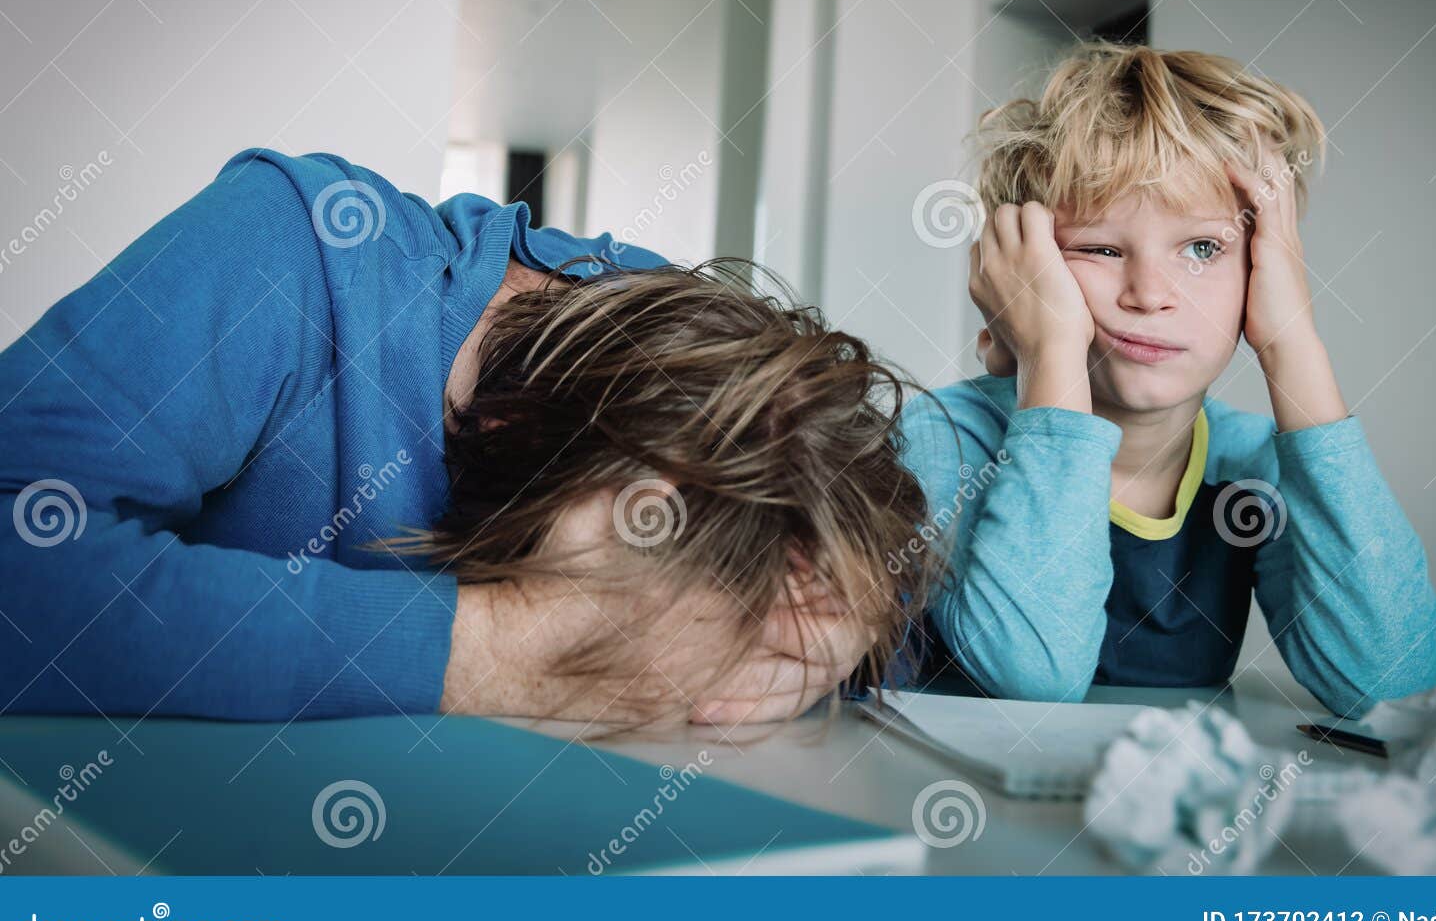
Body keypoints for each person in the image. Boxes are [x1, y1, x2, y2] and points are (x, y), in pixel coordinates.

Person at [0, 148, 933, 726]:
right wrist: (502, 649)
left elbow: (868, 561)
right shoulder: (287, 248)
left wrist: (840, 615)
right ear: (504, 429)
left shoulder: (694, 348)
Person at [899, 43, 1436, 717]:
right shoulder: (949, 437)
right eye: (1100, 247)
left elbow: (1391, 679)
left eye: (1204, 248)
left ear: (1262, 269)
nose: (1150, 293)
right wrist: (1049, 354)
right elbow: (1033, 677)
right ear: (1020, 269)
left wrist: (1291, 342)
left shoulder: (1248, 465)